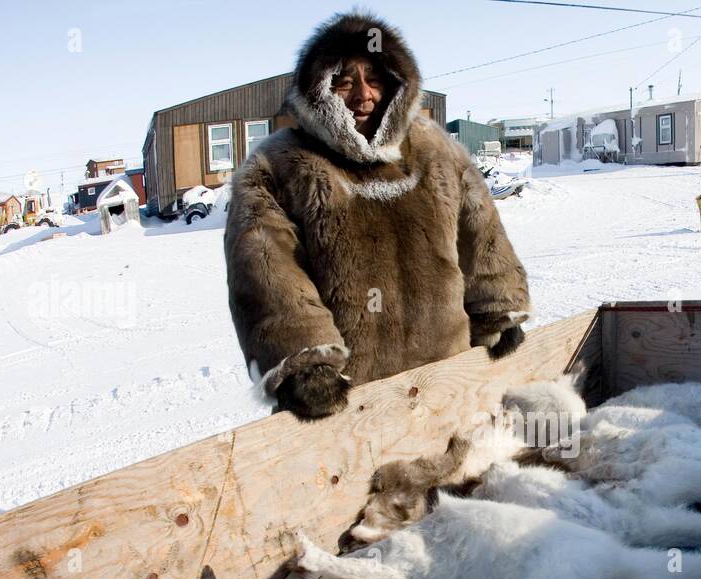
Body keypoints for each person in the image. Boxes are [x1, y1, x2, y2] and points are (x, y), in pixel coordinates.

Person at [224, 11, 532, 420]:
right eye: (343, 82)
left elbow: (479, 228)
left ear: (397, 84)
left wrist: (497, 307)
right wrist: (303, 361)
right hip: (353, 400)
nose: (363, 95)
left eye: (375, 78)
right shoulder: (280, 164)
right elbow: (264, 268)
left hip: (448, 377)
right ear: (319, 91)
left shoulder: (432, 149)